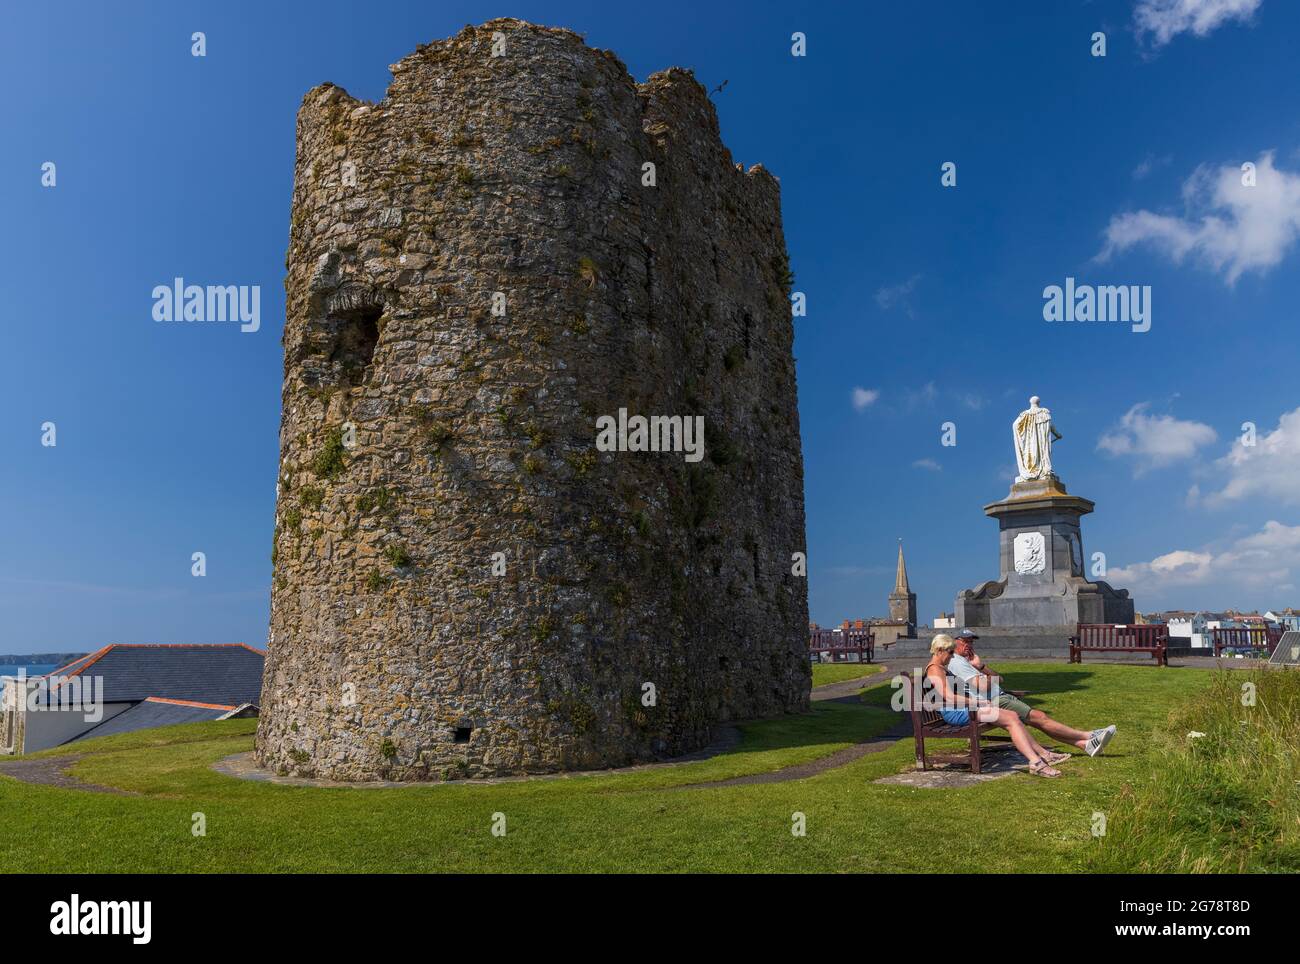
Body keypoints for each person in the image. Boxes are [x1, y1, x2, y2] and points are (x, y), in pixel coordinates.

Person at [950, 629, 1116, 757]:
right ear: (954, 643)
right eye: (965, 641)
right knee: (1039, 717)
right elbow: (984, 687)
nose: (969, 645)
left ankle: (1085, 745)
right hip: (993, 700)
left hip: (998, 696)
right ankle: (1090, 735)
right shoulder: (957, 663)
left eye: (971, 642)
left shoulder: (969, 661)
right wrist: (986, 678)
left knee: (1039, 720)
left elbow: (999, 679)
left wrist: (980, 666)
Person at [923, 635, 1068, 778]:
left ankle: (1042, 756)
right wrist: (978, 702)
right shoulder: (935, 669)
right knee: (1011, 718)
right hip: (956, 713)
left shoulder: (940, 667)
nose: (952, 656)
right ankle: (1037, 763)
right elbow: (948, 696)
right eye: (950, 652)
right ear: (940, 650)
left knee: (1012, 716)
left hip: (963, 709)